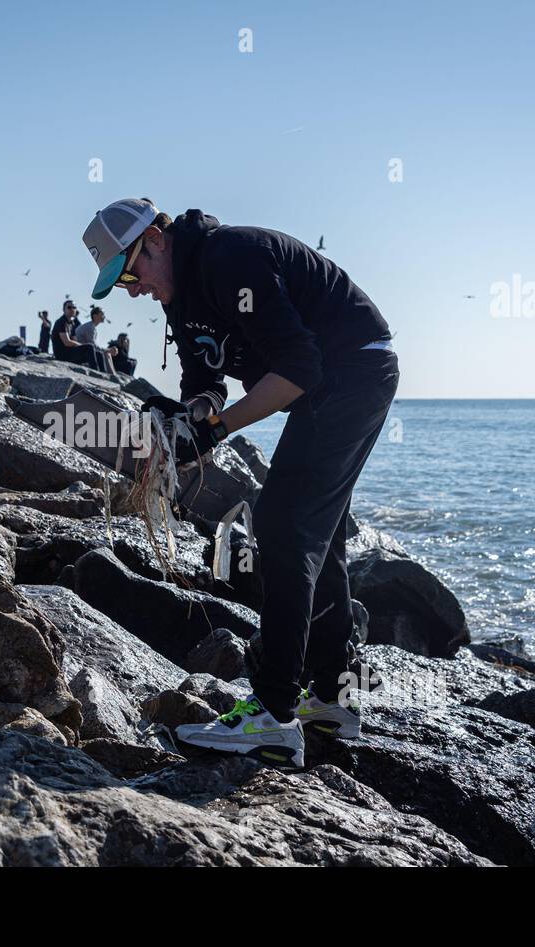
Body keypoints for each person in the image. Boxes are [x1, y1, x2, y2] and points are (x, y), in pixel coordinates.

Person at [82, 197, 398, 769]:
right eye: (118, 283)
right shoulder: (181, 298)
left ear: (156, 239)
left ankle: (274, 715)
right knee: (314, 532)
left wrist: (220, 430)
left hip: (356, 370)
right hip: (326, 387)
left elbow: (300, 369)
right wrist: (190, 420)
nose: (132, 290)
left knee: (283, 527)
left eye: (129, 272)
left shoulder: (231, 259)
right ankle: (336, 696)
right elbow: (205, 381)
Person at [49, 299, 104, 370]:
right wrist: (82, 346)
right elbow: (67, 343)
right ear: (64, 310)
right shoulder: (61, 322)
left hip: (71, 352)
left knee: (98, 354)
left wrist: (82, 347)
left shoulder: (72, 323)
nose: (72, 309)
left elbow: (75, 339)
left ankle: (103, 374)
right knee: (90, 347)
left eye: (74, 307)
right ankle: (96, 371)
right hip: (62, 354)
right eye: (69, 307)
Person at [75, 306, 117, 373]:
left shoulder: (91, 326)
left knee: (106, 353)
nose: (104, 317)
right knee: (106, 353)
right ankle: (111, 375)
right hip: (81, 352)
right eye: (102, 314)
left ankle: (112, 374)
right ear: (95, 316)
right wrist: (107, 349)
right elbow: (93, 345)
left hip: (83, 349)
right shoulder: (90, 327)